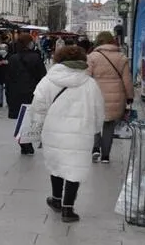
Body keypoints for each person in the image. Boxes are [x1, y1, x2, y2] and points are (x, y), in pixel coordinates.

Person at [30, 45, 104, 223]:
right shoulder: (89, 84)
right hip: (80, 132)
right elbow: (98, 110)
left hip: (53, 130)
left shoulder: (48, 80)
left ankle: (56, 199)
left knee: (56, 163)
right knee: (74, 168)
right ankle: (68, 209)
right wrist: (94, 130)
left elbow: (38, 106)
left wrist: (36, 129)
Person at [87, 31, 134, 163]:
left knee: (96, 121)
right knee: (108, 125)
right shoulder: (121, 57)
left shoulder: (92, 57)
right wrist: (130, 96)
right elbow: (127, 80)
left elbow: (86, 77)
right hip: (116, 96)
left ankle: (95, 148)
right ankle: (106, 156)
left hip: (96, 95)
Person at [6, 34, 47, 155]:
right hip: (32, 92)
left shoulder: (13, 58)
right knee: (29, 118)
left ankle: (24, 143)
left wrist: (8, 95)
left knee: (20, 118)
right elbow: (43, 76)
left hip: (16, 93)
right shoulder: (36, 57)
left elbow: (8, 78)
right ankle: (26, 143)